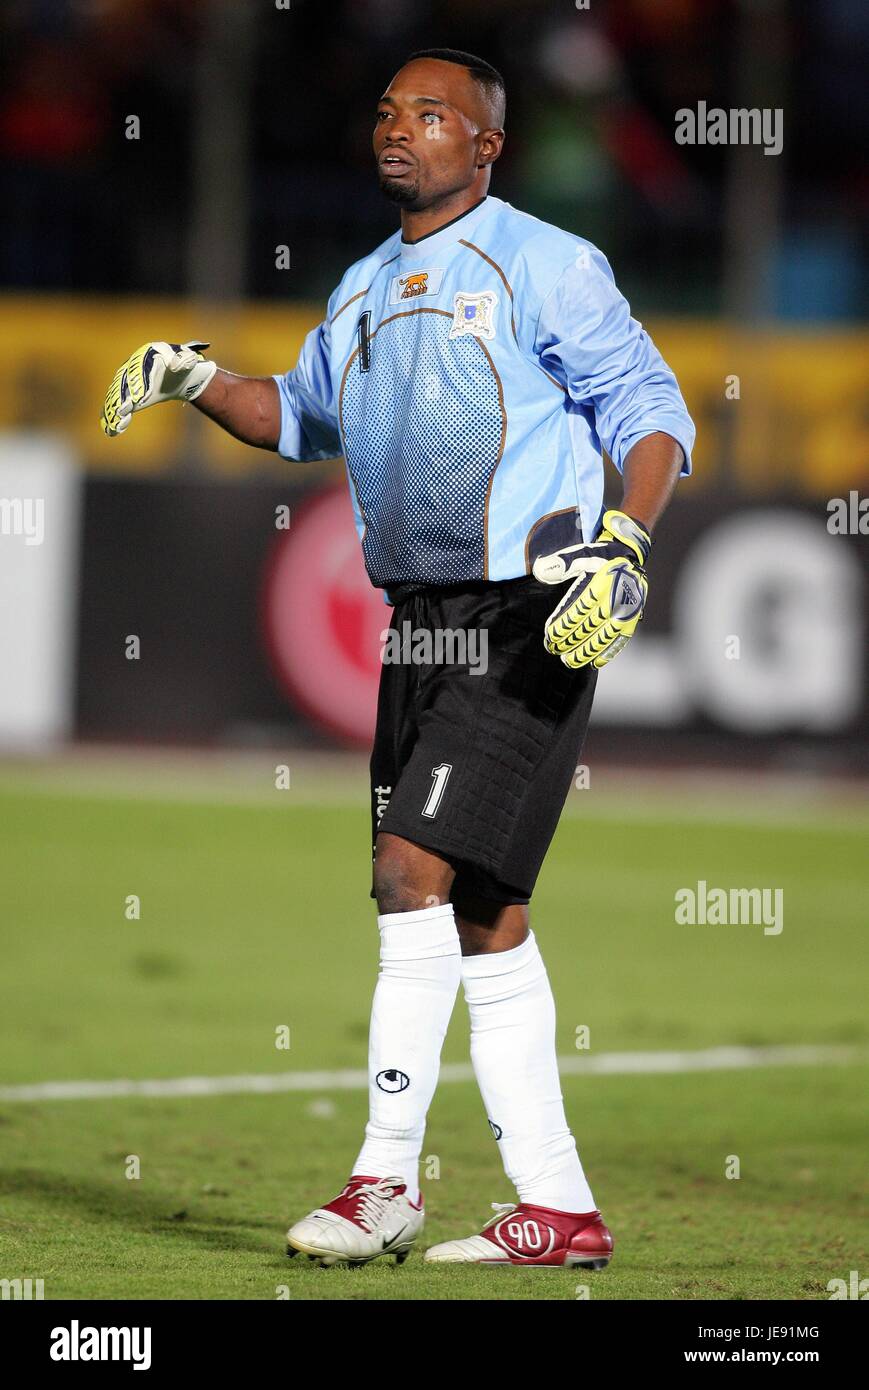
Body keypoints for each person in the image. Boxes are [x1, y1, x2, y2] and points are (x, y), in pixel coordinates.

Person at [101, 48, 695, 1270]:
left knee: (406, 868)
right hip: (416, 618)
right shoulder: (365, 283)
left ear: (485, 147)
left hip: (528, 607)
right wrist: (199, 377)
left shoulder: (546, 263)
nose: (398, 129)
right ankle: (558, 1209)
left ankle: (382, 1180)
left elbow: (653, 412)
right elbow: (301, 416)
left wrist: (625, 536)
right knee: (481, 908)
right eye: (385, 111)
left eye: (432, 114)